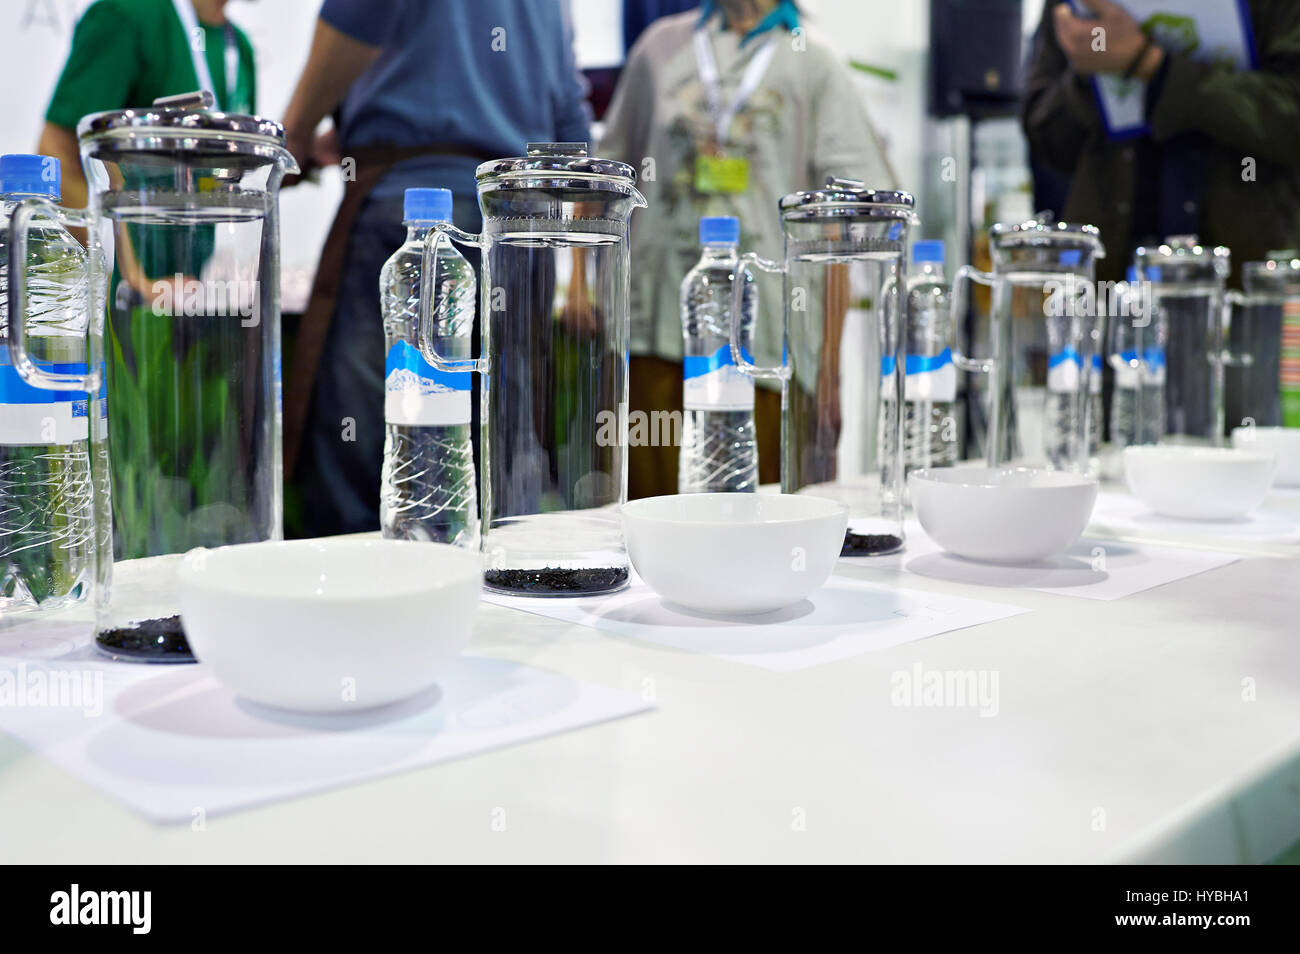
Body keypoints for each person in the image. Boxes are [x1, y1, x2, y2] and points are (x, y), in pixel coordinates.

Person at [281, 0, 591, 538]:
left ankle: (369, 596)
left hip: (409, 205)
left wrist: (298, 130)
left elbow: (359, 16)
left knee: (374, 434)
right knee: (507, 428)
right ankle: (508, 586)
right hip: (518, 219)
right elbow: (570, 122)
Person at [598, 0, 894, 497]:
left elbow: (843, 227)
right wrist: (583, 290)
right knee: (651, 520)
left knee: (762, 527)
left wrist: (829, 373)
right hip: (656, 333)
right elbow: (606, 177)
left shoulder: (813, 61)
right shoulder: (659, 48)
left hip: (769, 342)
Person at [1023, 0, 1300, 283]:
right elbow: (1046, 141)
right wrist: (1086, 68)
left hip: (1253, 277)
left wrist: (1152, 64)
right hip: (1105, 276)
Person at [39, 0, 256, 214]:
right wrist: (114, 248)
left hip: (204, 245)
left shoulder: (239, 48)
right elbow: (60, 157)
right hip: (141, 242)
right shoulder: (125, 15)